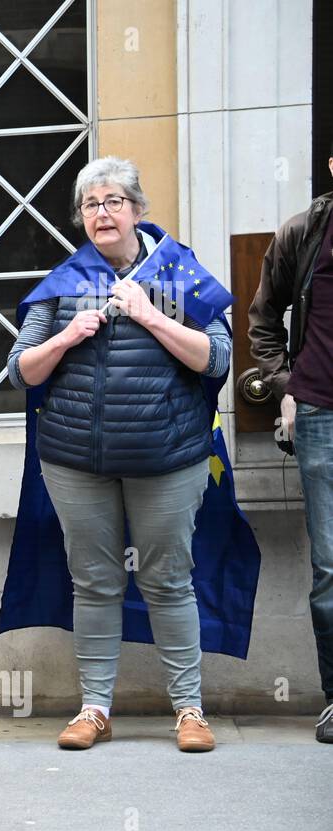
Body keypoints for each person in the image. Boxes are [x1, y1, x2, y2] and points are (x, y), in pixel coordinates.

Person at [6, 156, 233, 753]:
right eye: (90, 204)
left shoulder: (179, 272)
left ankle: (189, 710)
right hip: (75, 460)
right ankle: (95, 708)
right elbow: (21, 372)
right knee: (95, 582)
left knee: (167, 580)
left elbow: (217, 359)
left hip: (169, 458)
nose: (102, 213)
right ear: (81, 218)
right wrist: (64, 336)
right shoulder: (62, 283)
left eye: (112, 201)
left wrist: (150, 315)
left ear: (136, 209)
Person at [248, 137, 333, 743]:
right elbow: (262, 318)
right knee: (330, 567)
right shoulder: (304, 232)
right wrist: (288, 386)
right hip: (322, 415)